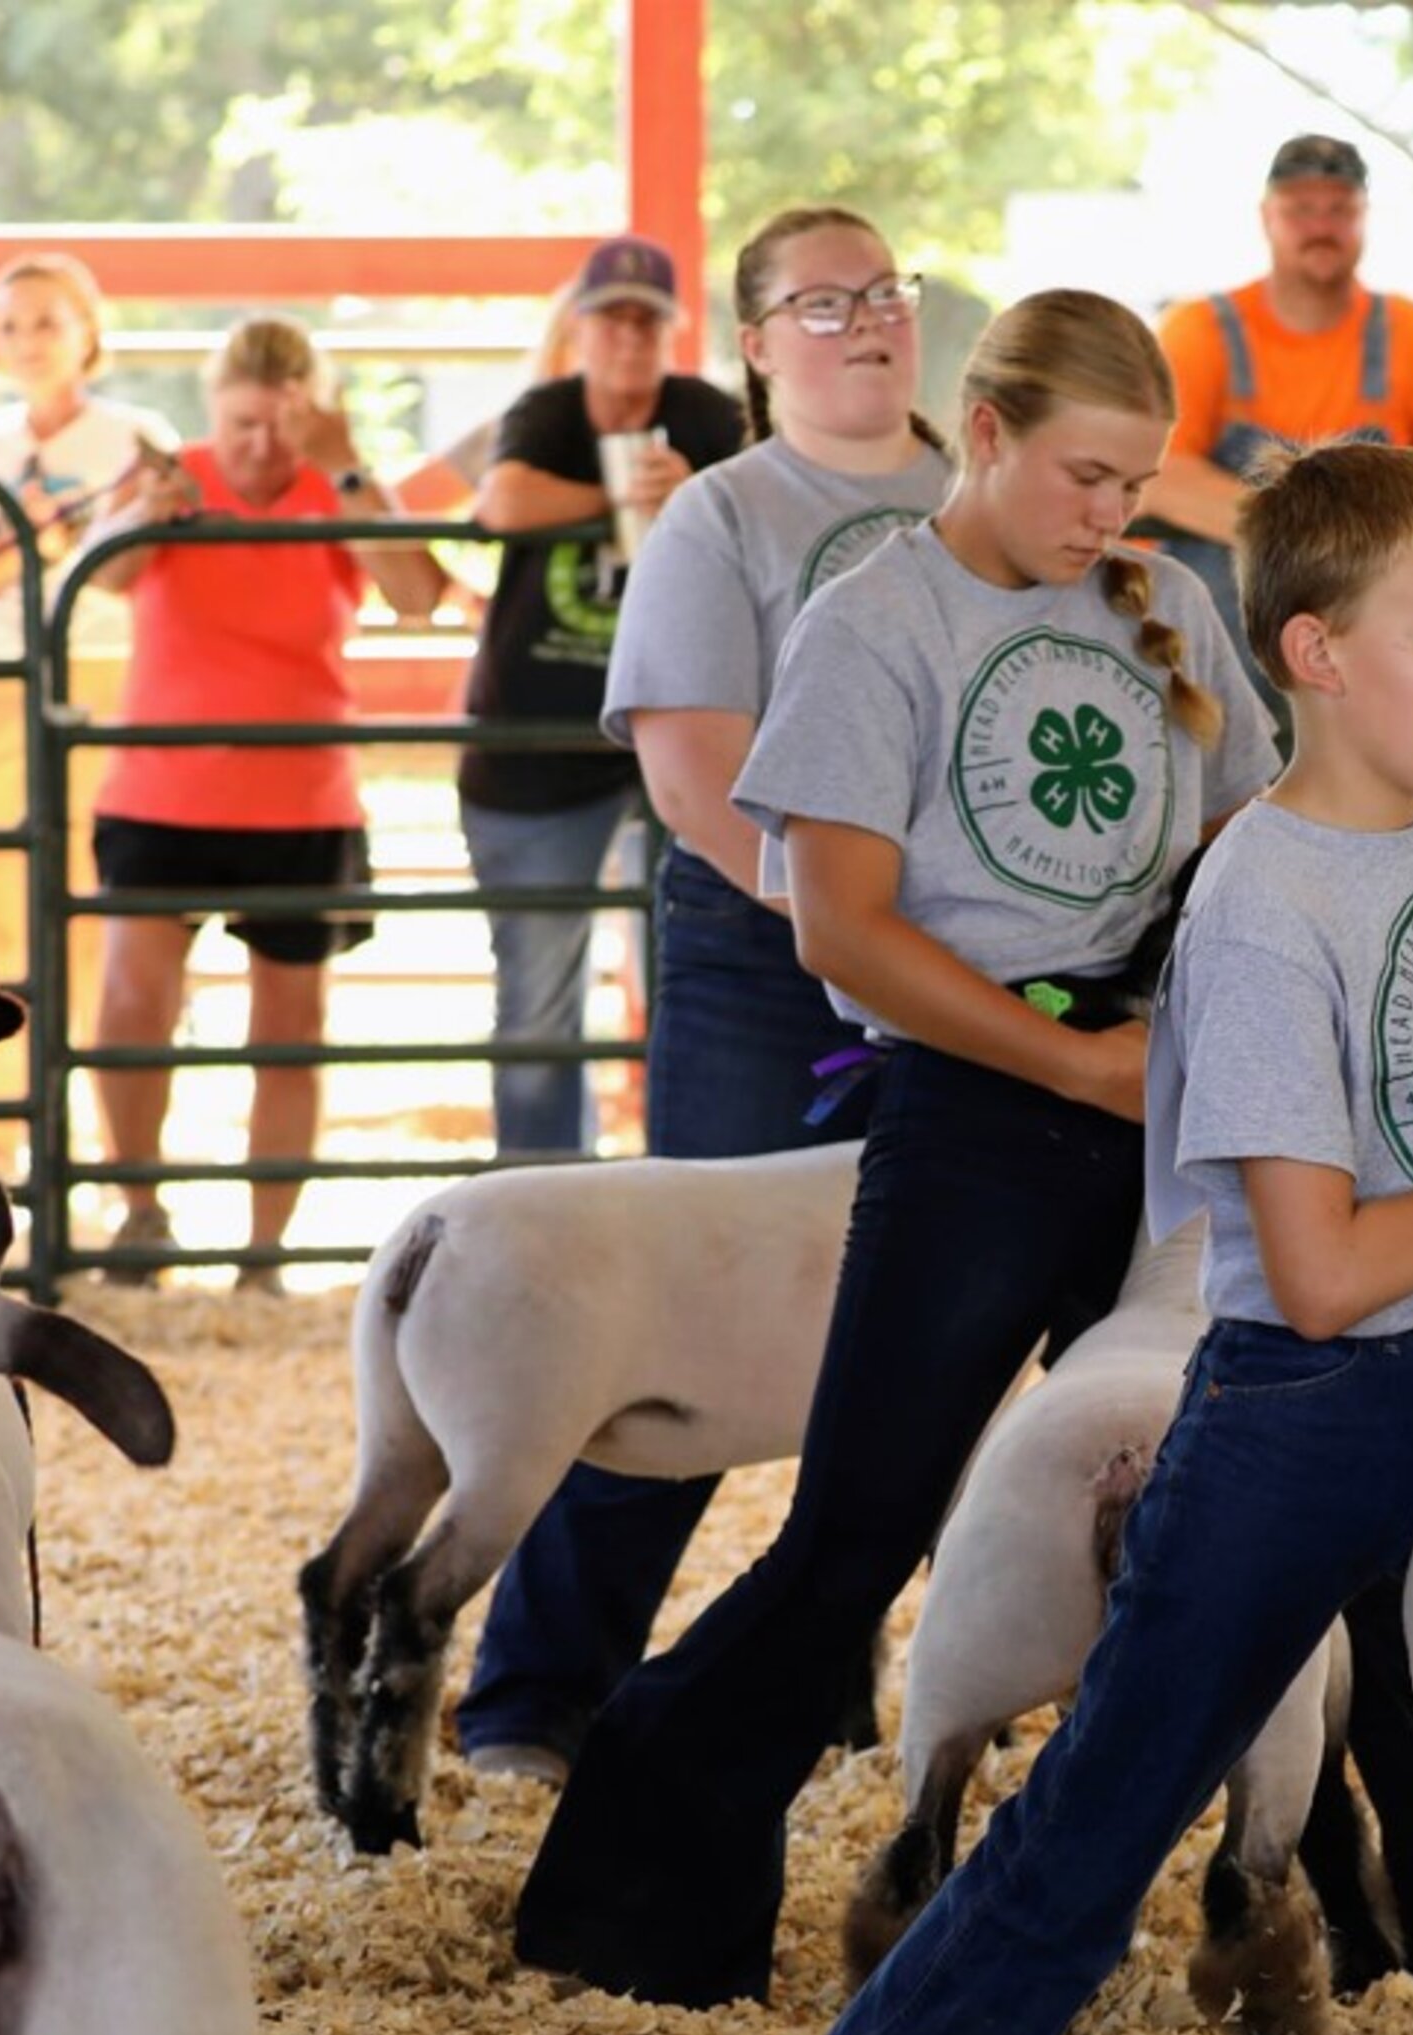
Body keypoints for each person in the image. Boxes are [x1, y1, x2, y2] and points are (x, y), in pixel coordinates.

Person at [738, 439, 1413, 2035]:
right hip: (1310, 1412)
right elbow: (1321, 1269)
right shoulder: (1260, 908)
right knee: (1086, 1838)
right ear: (1318, 655)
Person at [508, 289, 1281, 2009]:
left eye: (1137, 481)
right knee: (867, 1529)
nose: (1113, 515)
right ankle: (635, 1885)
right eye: (1085, 474)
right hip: (985, 1104)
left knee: (1194, 1520)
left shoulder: (1164, 602)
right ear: (986, 433)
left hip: (1161, 1094)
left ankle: (1123, 1906)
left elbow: (1245, 845)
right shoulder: (876, 620)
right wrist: (1076, 1071)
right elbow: (842, 933)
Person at [451, 205, 954, 1785]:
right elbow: (692, 774)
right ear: (753, 344)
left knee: (945, 1322)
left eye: (886, 293)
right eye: (823, 302)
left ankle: (831, 1674)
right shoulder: (722, 516)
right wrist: (851, 928)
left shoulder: (985, 502)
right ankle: (539, 1690)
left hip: (971, 962)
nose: (867, 322)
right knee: (694, 1324)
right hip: (769, 944)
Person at [76, 316, 446, 1293]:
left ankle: (264, 1252)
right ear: (214, 411)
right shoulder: (175, 477)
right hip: (161, 792)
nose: (259, 445)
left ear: (313, 414)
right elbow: (100, 576)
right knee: (131, 1007)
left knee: (289, 1030)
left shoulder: (340, 486)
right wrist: (146, 512)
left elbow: (416, 594)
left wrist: (352, 466)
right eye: (242, 422)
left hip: (302, 798)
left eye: (281, 425)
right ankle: (141, 1209)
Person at [454, 234, 745, 1161]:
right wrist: (620, 496)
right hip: (538, 751)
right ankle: (542, 1192)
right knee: (540, 1005)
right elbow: (499, 504)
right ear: (580, 326)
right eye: (611, 316)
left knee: (697, 983)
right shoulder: (545, 412)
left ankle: (686, 1184)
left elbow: (767, 512)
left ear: (669, 331)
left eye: (645, 319)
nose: (628, 337)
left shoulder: (706, 413)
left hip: (680, 742)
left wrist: (691, 496)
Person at [0, 251, 176, 1157]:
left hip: (104, 677)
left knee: (99, 914)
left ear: (88, 333)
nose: (29, 342)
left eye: (48, 322)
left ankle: (105, 1155)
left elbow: (159, 571)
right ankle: (9, 1146)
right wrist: (16, 532)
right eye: (11, 325)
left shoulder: (137, 437)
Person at [1148, 133, 1413, 681]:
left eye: (1339, 209)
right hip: (1212, 682)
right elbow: (1153, 471)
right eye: (1301, 209)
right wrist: (1311, 539)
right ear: (1267, 218)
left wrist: (1368, 520)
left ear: (1364, 218)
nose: (1321, 226)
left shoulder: (1410, 334)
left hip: (1366, 681)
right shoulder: (1200, 332)